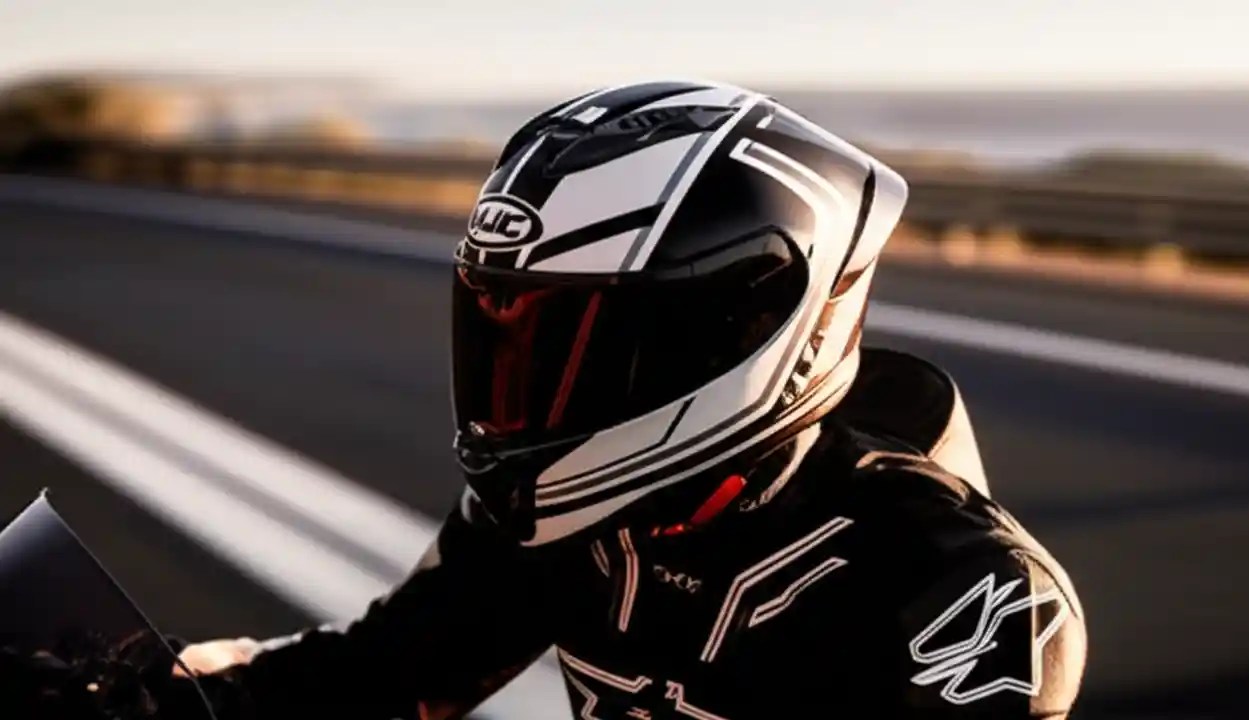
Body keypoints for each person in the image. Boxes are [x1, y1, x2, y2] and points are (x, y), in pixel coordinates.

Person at [172, 80, 1088, 719]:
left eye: (580, 343)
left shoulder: (961, 601)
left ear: (739, 324)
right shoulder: (585, 512)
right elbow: (389, 674)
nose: (525, 389)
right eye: (510, 332)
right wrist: (158, 691)